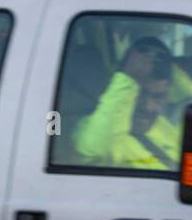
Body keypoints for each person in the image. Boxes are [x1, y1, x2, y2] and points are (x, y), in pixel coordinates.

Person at [73, 37, 181, 170]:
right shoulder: (91, 128)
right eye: (138, 94)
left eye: (158, 97)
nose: (148, 107)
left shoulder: (164, 125)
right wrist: (127, 79)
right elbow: (99, 151)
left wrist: (161, 60)